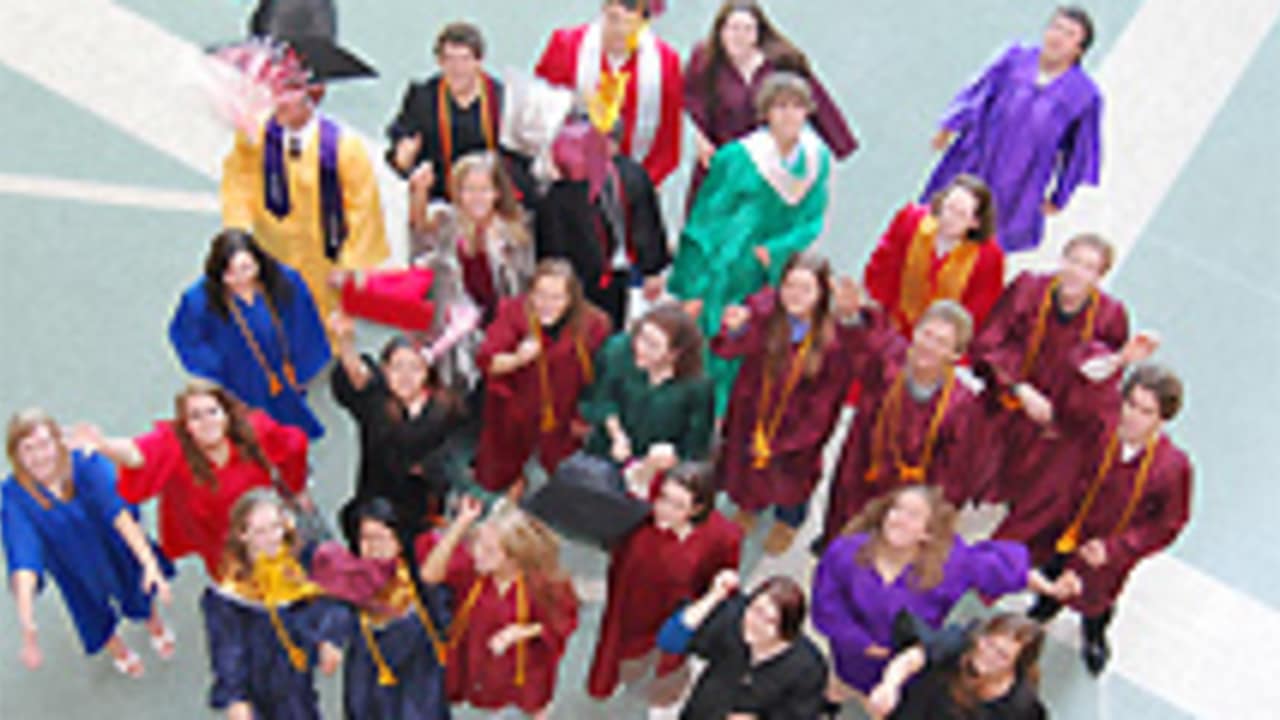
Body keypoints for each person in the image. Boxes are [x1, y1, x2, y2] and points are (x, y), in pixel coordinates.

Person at [811, 486, 1076, 704]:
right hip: (853, 653)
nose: (898, 519)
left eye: (912, 515)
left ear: (927, 532)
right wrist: (861, 642)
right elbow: (826, 605)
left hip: (912, 659)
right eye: (896, 509)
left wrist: (1050, 589)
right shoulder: (847, 552)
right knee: (841, 685)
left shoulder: (950, 563)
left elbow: (1002, 570)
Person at [669, 71, 832, 414]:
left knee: (763, 353)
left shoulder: (816, 160)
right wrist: (691, 286)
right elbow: (704, 219)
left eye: (797, 106)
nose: (789, 115)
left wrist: (773, 253)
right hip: (727, 269)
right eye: (780, 106)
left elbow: (812, 218)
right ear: (765, 113)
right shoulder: (738, 156)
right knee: (718, 346)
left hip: (777, 273)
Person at [1013, 363, 1192, 675]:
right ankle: (1044, 610)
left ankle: (1094, 636)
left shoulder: (1172, 468)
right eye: (1130, 404)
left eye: (1146, 412)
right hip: (1066, 535)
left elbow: (1168, 524)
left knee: (1097, 603)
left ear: (1162, 419)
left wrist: (1117, 549)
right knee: (1051, 579)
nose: (1132, 417)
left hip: (1107, 557)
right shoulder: (1099, 430)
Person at [221, 35, 388, 322]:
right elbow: (239, 181)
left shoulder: (344, 149)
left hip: (324, 264)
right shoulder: (255, 137)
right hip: (270, 254)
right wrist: (237, 234)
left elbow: (364, 212)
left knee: (323, 334)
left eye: (288, 92)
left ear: (313, 94)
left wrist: (350, 264)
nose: (277, 101)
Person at [3, 410, 174, 678]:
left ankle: (155, 626)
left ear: (59, 442)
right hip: (73, 566)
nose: (39, 456)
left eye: (45, 444)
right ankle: (120, 652)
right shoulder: (14, 496)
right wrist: (28, 627)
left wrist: (149, 562)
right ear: (16, 455)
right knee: (90, 610)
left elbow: (117, 512)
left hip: (114, 545)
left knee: (140, 586)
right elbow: (23, 558)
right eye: (28, 449)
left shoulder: (83, 462)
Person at [79, 379, 310, 577]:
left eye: (212, 411)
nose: (207, 421)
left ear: (226, 414)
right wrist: (105, 446)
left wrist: (297, 488)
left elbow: (293, 446)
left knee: (290, 573)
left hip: (269, 528)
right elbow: (138, 453)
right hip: (221, 543)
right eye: (196, 416)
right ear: (186, 426)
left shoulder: (253, 430)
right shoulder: (174, 448)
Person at [921, 6, 1102, 252]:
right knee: (941, 220)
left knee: (989, 239)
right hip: (978, 154)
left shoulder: (1083, 95)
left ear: (1079, 49)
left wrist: (1061, 194)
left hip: (1021, 178)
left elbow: (1080, 150)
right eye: (1055, 27)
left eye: (1069, 34)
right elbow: (979, 90)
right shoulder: (1014, 58)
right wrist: (950, 125)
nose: (1057, 37)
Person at [713, 252, 859, 555]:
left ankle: (788, 522)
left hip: (796, 432)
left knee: (791, 484)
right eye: (790, 286)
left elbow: (826, 404)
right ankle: (750, 508)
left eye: (806, 289)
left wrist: (788, 442)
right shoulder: (763, 311)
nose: (795, 296)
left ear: (822, 295)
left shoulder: (833, 342)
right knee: (749, 474)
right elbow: (729, 350)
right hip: (754, 415)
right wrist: (736, 328)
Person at [970, 233, 1128, 506]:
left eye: (1088, 267)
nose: (1076, 272)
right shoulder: (1027, 288)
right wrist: (1019, 388)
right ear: (1062, 260)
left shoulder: (1110, 317)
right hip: (999, 411)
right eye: (1073, 261)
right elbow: (987, 343)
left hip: (1049, 433)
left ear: (1100, 276)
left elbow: (1102, 387)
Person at [817, 295, 982, 549]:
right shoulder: (889, 361)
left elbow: (954, 474)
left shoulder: (961, 406)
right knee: (843, 531)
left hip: (908, 497)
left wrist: (928, 513)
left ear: (956, 354)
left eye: (942, 343)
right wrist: (851, 317)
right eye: (926, 335)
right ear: (915, 332)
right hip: (862, 470)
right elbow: (864, 342)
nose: (929, 346)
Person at [587, 462, 742, 710]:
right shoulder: (643, 512)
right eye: (663, 498)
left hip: (670, 614)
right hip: (629, 606)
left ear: (698, 508)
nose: (664, 509)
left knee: (661, 666)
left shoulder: (722, 537)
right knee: (622, 654)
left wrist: (721, 586)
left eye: (678, 505)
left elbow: (723, 576)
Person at [683, 0, 856, 212]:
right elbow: (690, 100)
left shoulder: (778, 64)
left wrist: (839, 142)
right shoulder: (704, 60)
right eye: (733, 28)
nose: (740, 36)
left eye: (747, 29)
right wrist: (699, 135)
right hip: (721, 163)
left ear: (758, 33)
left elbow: (813, 96)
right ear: (721, 31)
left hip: (767, 166)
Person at [418, 497, 579, 719]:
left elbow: (563, 624)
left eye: (489, 550)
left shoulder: (544, 583)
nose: (477, 553)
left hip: (523, 670)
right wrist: (461, 524)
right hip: (474, 664)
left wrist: (522, 631)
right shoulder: (472, 571)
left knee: (533, 705)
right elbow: (429, 575)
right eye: (477, 544)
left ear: (514, 556)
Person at [201, 489, 348, 719]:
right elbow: (227, 647)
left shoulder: (302, 562)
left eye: (276, 527)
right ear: (242, 535)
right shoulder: (229, 593)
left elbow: (333, 599)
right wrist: (236, 697)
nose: (272, 539)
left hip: (297, 680)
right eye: (260, 532)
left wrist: (330, 637)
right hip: (258, 685)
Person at [170, 229, 331, 439]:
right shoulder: (198, 300)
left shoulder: (285, 281)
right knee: (247, 434)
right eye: (230, 273)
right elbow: (188, 338)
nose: (240, 279)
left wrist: (303, 368)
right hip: (239, 377)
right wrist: (218, 372)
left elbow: (305, 323)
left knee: (290, 428)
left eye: (246, 268)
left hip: (282, 370)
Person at [473, 260, 612, 496]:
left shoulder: (593, 323)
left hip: (563, 407)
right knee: (500, 467)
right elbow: (488, 362)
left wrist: (585, 413)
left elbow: (600, 373)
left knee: (560, 473)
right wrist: (518, 358)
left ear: (571, 299)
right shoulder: (513, 313)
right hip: (516, 405)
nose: (547, 305)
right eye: (540, 295)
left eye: (557, 297)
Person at [330, 315, 468, 544]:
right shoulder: (377, 404)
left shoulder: (444, 409)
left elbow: (456, 452)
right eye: (397, 368)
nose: (406, 377)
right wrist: (346, 342)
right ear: (385, 371)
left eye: (415, 368)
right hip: (378, 493)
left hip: (420, 501)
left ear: (427, 373)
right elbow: (357, 378)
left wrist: (434, 472)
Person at [312, 497, 451, 720]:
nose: (374, 546)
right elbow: (337, 609)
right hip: (371, 688)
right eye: (366, 538)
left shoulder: (418, 581)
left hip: (417, 686)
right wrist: (330, 640)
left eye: (381, 537)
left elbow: (445, 618)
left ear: (398, 541)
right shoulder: (351, 580)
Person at [536, 121, 670, 330]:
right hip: (597, 277)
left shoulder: (628, 175)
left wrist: (653, 269)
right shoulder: (561, 194)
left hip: (608, 277)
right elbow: (553, 244)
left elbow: (646, 222)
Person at [534, 0, 683, 185]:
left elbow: (667, 143)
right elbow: (537, 119)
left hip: (632, 186)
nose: (621, 30)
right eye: (614, 19)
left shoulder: (666, 63)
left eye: (631, 22)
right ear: (605, 9)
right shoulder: (567, 46)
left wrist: (638, 186)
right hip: (564, 181)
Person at [657, 571, 828, 719]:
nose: (755, 623)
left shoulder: (808, 669)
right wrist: (715, 595)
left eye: (769, 621)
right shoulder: (735, 619)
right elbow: (671, 640)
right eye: (755, 609)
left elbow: (799, 715)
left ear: (787, 630)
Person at [387, 23, 526, 202]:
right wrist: (402, 158)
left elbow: (520, 157)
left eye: (465, 60)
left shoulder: (502, 99)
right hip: (442, 198)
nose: (457, 68)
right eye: (449, 60)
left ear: (479, 61)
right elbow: (401, 146)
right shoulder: (423, 98)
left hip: (491, 199)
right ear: (440, 62)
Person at [864, 174, 1004, 338]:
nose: (950, 218)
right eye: (949, 208)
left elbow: (977, 313)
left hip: (941, 343)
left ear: (975, 222)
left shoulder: (988, 258)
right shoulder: (910, 221)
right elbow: (882, 271)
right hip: (892, 325)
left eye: (961, 214)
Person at [582, 303, 715, 466]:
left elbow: (696, 445)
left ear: (674, 354)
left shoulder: (697, 386)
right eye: (640, 337)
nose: (640, 348)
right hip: (606, 453)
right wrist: (617, 435)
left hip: (657, 469)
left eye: (653, 345)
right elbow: (601, 397)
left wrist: (673, 458)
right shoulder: (618, 351)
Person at [868, 612, 1048, 720]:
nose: (988, 655)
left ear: (1015, 665)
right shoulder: (958, 644)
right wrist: (889, 685)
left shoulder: (1020, 705)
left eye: (1002, 656)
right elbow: (915, 657)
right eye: (989, 644)